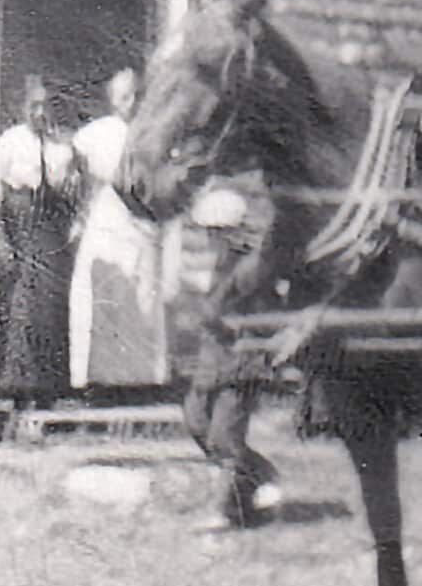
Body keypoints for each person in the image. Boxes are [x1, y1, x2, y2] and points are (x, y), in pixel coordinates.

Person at [181, 169, 283, 531]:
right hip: (213, 354)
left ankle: (223, 509)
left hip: (244, 358)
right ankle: (259, 477)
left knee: (224, 435)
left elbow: (267, 312)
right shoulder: (212, 261)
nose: (209, 238)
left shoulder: (251, 266)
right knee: (196, 419)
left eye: (215, 231)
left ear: (232, 230)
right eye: (207, 231)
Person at [0, 77, 79, 407]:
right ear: (22, 106)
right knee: (21, 309)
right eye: (33, 105)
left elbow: (69, 194)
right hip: (18, 230)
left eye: (44, 106)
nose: (38, 112)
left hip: (49, 234)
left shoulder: (62, 146)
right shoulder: (10, 141)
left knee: (49, 310)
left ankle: (47, 390)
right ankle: (17, 389)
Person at [69, 68, 168, 390]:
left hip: (139, 225)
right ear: (112, 99)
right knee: (104, 294)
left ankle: (139, 379)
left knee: (142, 297)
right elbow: (83, 183)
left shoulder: (153, 133)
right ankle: (96, 378)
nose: (132, 102)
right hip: (106, 222)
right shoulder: (95, 134)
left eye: (137, 95)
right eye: (124, 96)